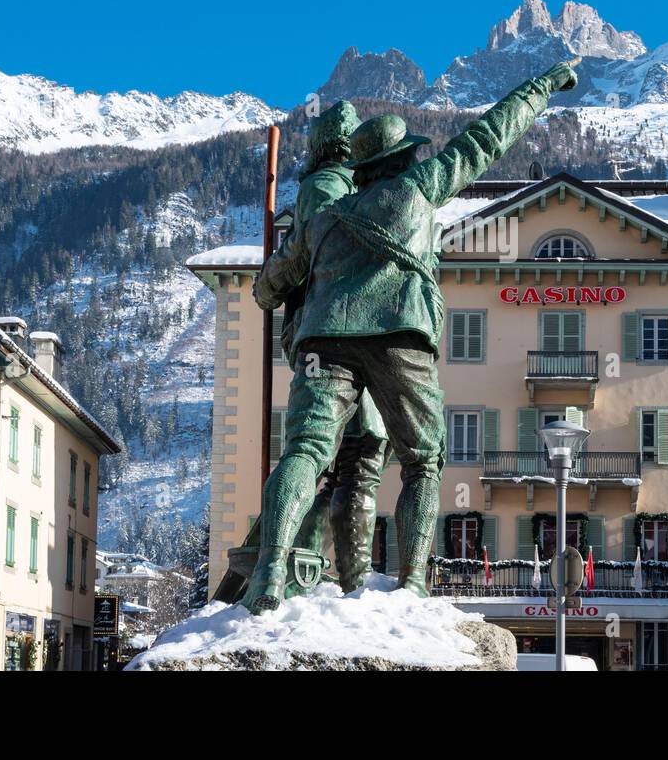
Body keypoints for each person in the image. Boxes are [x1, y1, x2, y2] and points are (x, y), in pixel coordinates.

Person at [247, 60, 578, 613]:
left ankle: (270, 574)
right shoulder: (420, 188)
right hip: (402, 338)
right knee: (423, 458)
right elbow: (491, 134)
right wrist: (542, 84)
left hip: (323, 341)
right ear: (401, 159)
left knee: (304, 452)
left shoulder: (326, 216)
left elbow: (269, 287)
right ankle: (414, 581)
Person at [280, 100, 389, 592]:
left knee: (357, 454)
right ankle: (324, 567)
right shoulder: (327, 186)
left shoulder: (334, 185)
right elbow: (318, 252)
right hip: (335, 334)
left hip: (349, 334)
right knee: (353, 452)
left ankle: (327, 567)